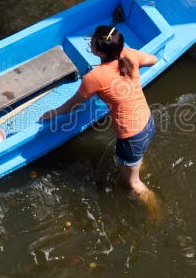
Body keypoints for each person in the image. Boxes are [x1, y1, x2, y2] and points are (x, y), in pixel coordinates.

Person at [40, 26, 158, 202]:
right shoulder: (128, 54)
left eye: (91, 42)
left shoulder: (94, 77)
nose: (90, 43)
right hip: (147, 123)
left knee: (134, 183)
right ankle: (136, 164)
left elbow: (72, 105)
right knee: (132, 159)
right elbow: (154, 60)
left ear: (99, 52)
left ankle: (156, 210)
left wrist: (52, 113)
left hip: (131, 136)